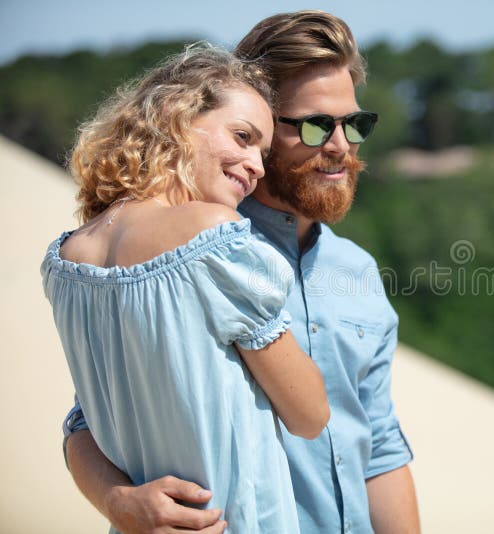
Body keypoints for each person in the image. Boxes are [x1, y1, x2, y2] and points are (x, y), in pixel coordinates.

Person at [62, 10, 421, 534]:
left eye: (355, 124)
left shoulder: (358, 270)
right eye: (319, 125)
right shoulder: (181, 250)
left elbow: (379, 445)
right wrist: (119, 501)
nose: (341, 146)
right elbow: (88, 416)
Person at [44, 44, 331, 533]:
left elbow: (82, 423)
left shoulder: (67, 257)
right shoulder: (212, 235)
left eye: (261, 153)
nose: (257, 166)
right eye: (242, 137)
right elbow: (309, 414)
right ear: (174, 119)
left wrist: (117, 502)